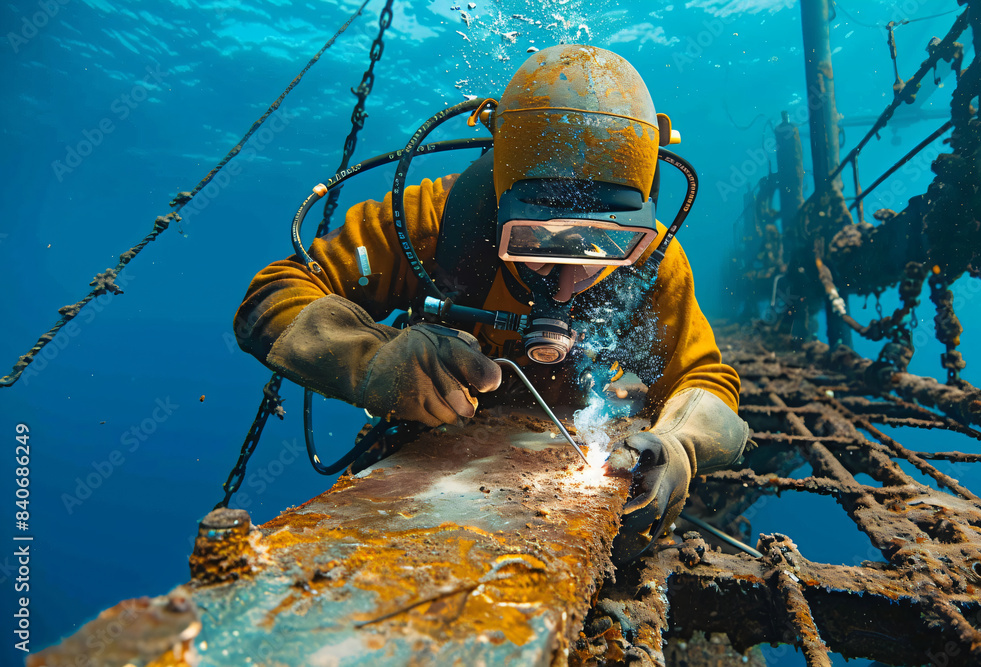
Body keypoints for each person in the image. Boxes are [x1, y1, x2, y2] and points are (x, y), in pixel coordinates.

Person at [234, 44, 749, 561]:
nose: (567, 285)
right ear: (501, 205)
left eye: (606, 246)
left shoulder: (651, 264)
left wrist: (682, 444)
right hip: (427, 459)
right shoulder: (431, 223)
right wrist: (373, 359)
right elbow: (268, 300)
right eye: (537, 241)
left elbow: (707, 381)